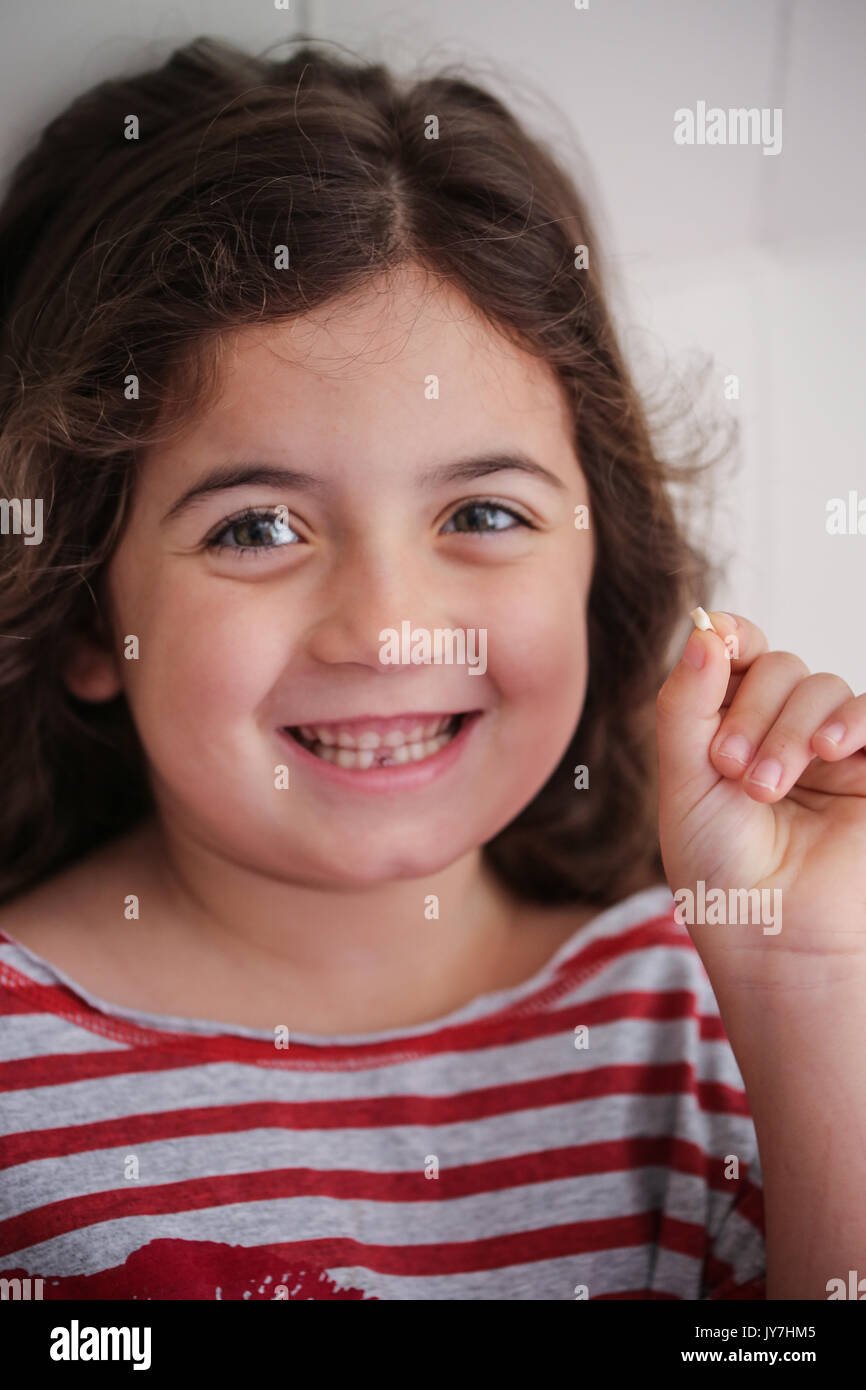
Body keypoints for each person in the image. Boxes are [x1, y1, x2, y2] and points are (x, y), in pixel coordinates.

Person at [0, 36, 862, 1302]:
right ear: (84, 612)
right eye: (255, 528)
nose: (390, 627)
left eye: (482, 513)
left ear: (595, 561)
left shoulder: (727, 1027)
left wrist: (812, 989)